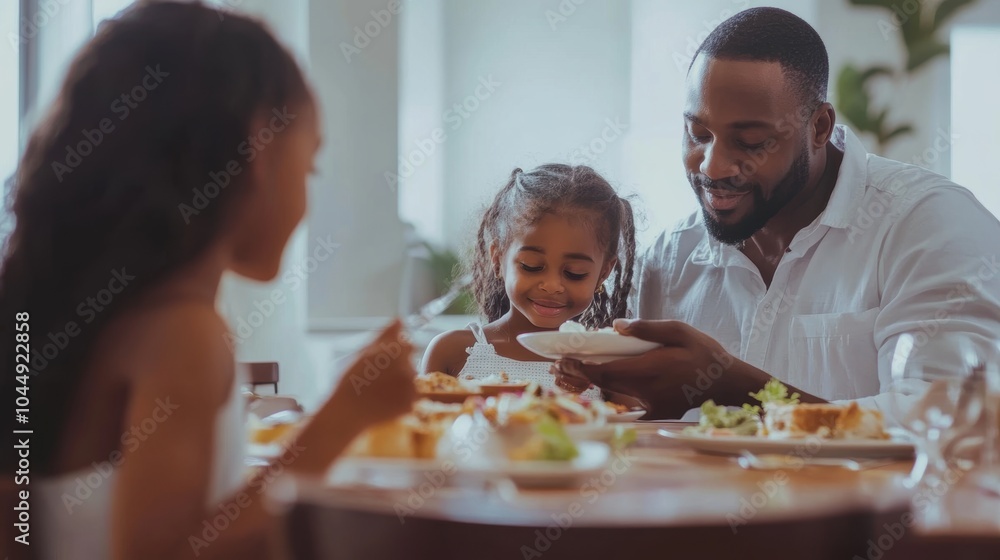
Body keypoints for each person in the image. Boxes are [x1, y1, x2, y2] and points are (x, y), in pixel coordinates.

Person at [0, 3, 415, 559]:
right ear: (260, 146)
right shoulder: (184, 335)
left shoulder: (63, 313)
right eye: (310, 165)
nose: (308, 196)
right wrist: (339, 421)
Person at [552, 7, 1000, 419]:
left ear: (820, 127)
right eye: (698, 133)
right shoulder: (671, 259)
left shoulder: (930, 226)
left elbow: (955, 423)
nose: (713, 166)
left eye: (751, 142)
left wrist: (742, 392)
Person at [421, 164, 637, 400]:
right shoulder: (451, 352)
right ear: (498, 259)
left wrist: (600, 378)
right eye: (531, 266)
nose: (552, 285)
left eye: (575, 273)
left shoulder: (605, 362)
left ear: (604, 273)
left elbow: (633, 432)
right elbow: (423, 428)